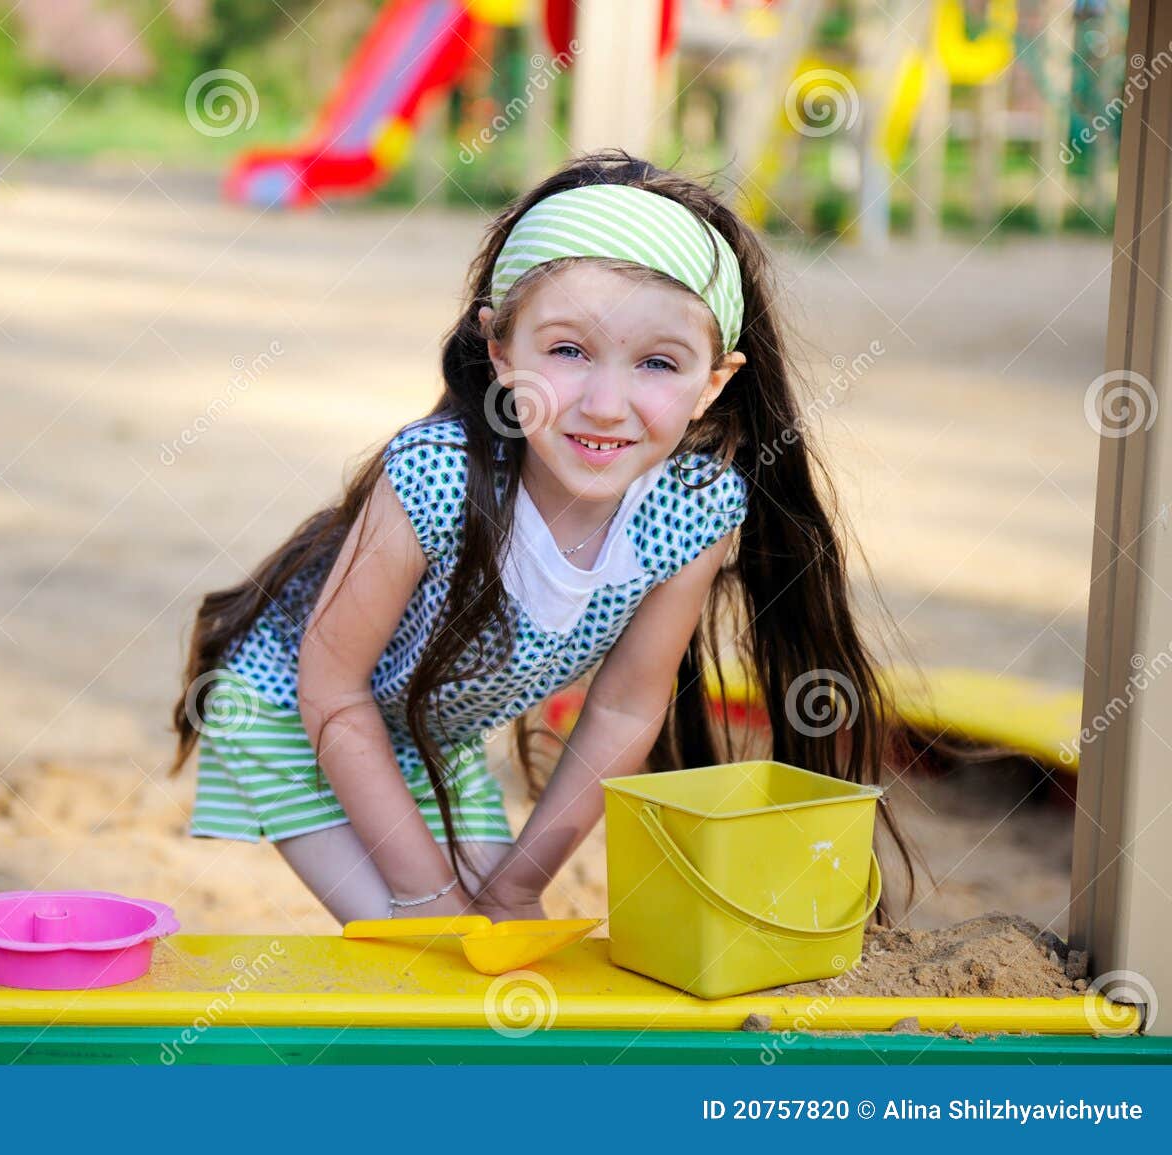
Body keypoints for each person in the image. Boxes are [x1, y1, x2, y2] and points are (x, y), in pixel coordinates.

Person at [169, 149, 915, 926]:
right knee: (419, 942)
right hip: (289, 714)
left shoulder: (695, 511)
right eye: (567, 351)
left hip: (429, 737)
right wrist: (429, 895)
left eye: (658, 363)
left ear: (714, 383)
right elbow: (331, 686)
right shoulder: (437, 478)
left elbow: (625, 710)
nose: (604, 403)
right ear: (500, 352)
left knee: (503, 934)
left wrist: (519, 884)